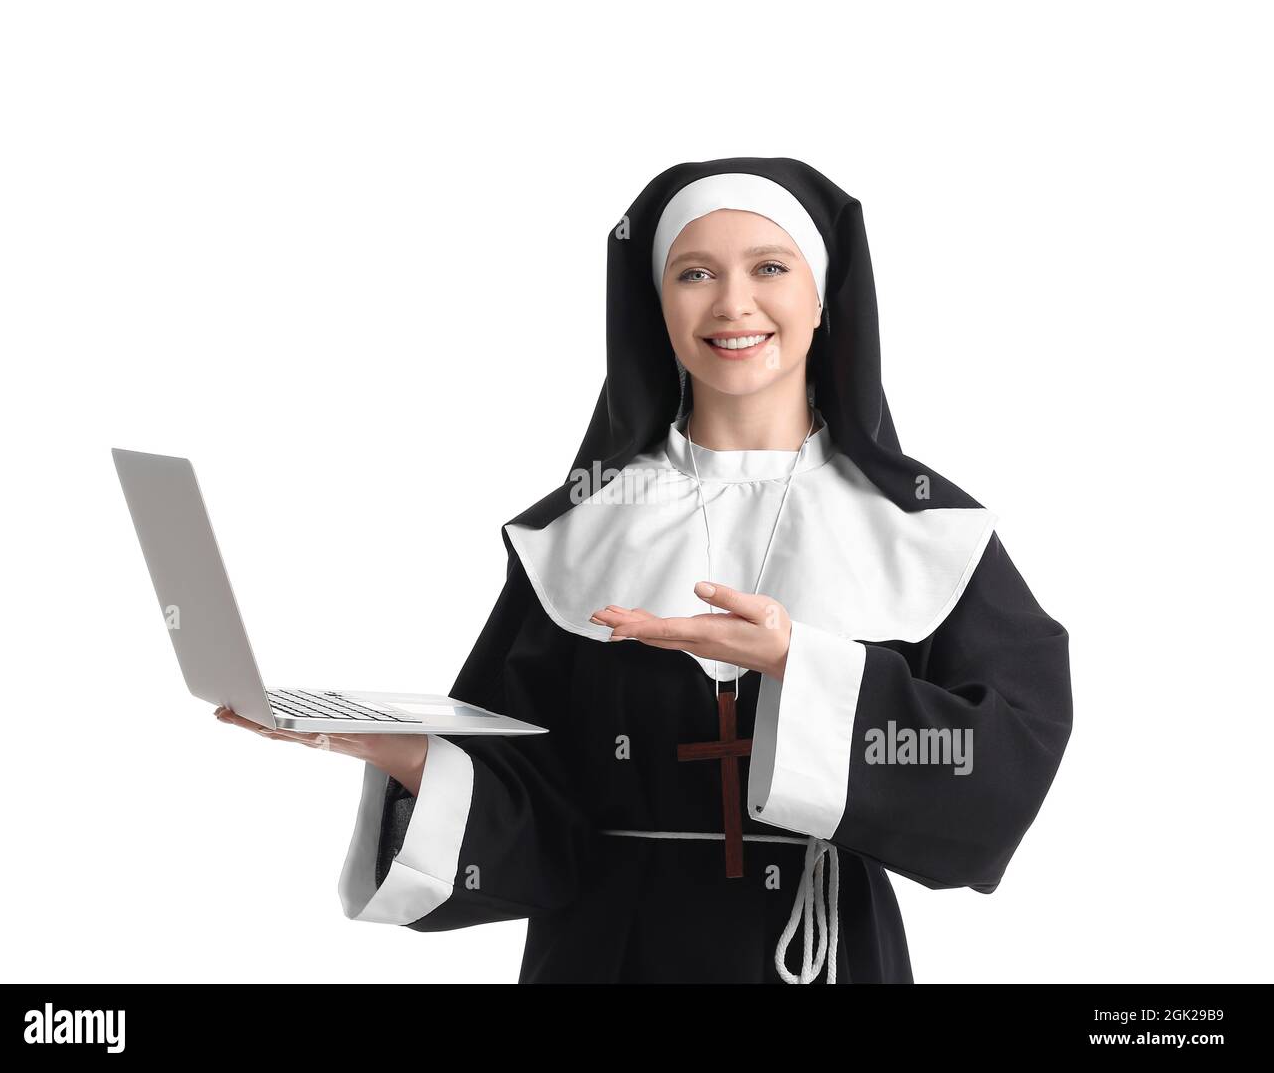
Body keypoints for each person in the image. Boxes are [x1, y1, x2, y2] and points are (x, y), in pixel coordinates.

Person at [216, 157, 1073, 984]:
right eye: (694, 274)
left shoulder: (922, 530)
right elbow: (539, 810)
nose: (733, 303)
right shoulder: (582, 530)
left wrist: (797, 666)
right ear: (657, 305)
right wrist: (402, 752)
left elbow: (1003, 768)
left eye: (769, 267)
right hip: (604, 954)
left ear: (822, 296)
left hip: (823, 955)